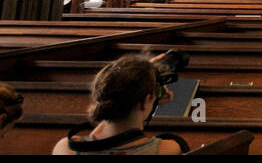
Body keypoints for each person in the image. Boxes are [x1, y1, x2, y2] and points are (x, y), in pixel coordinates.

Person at [52, 55, 184, 155]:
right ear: (146, 100)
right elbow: (132, 137)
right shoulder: (167, 149)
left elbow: (104, 142)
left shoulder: (66, 149)